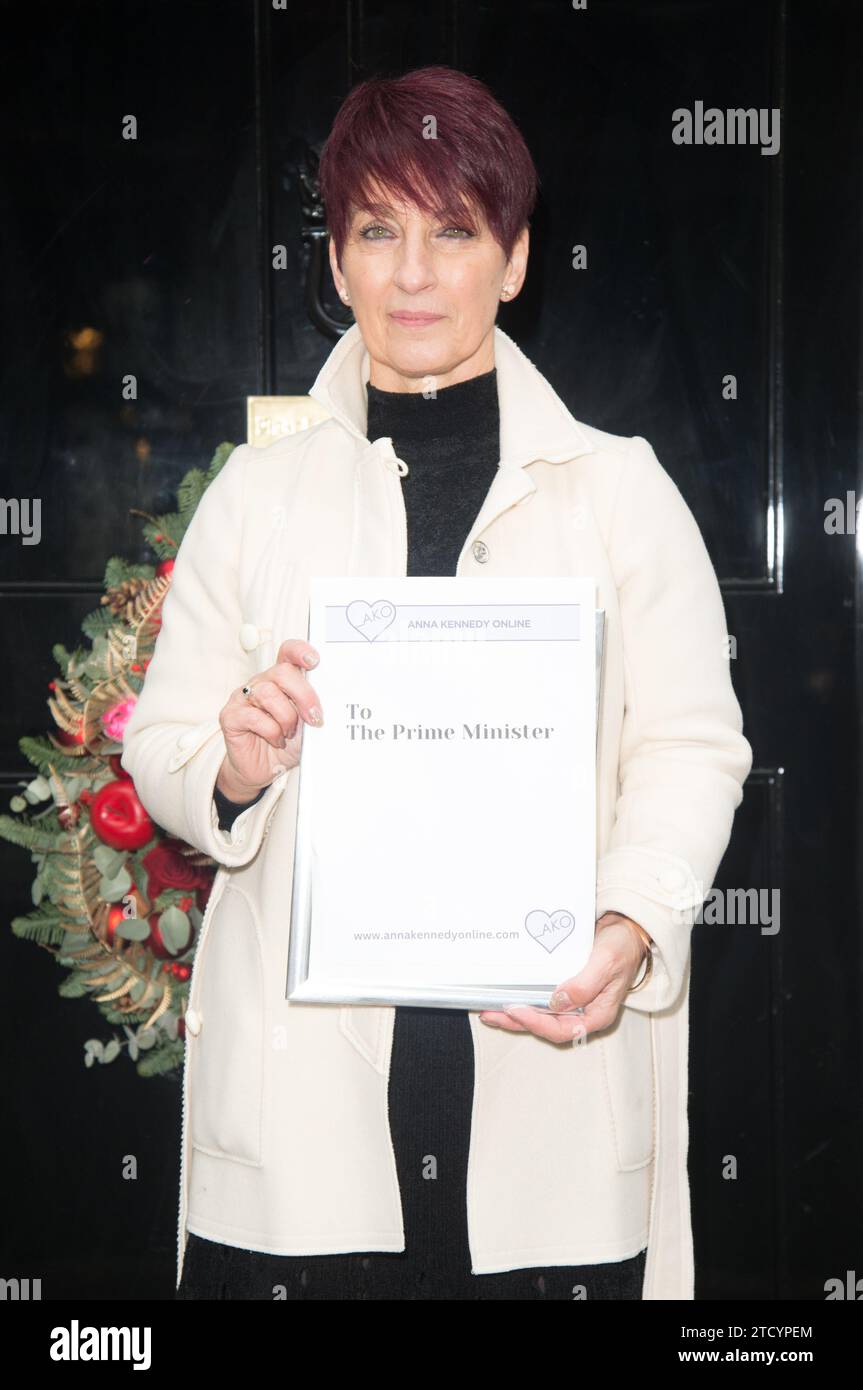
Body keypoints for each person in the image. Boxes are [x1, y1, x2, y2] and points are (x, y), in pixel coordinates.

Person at [121, 65, 753, 1300]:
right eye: (377, 230)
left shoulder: (620, 488)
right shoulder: (254, 494)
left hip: (548, 1084)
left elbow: (689, 746)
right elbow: (165, 746)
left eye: (453, 232)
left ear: (513, 261)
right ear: (339, 263)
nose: (413, 273)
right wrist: (237, 764)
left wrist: (627, 924)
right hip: (301, 1131)